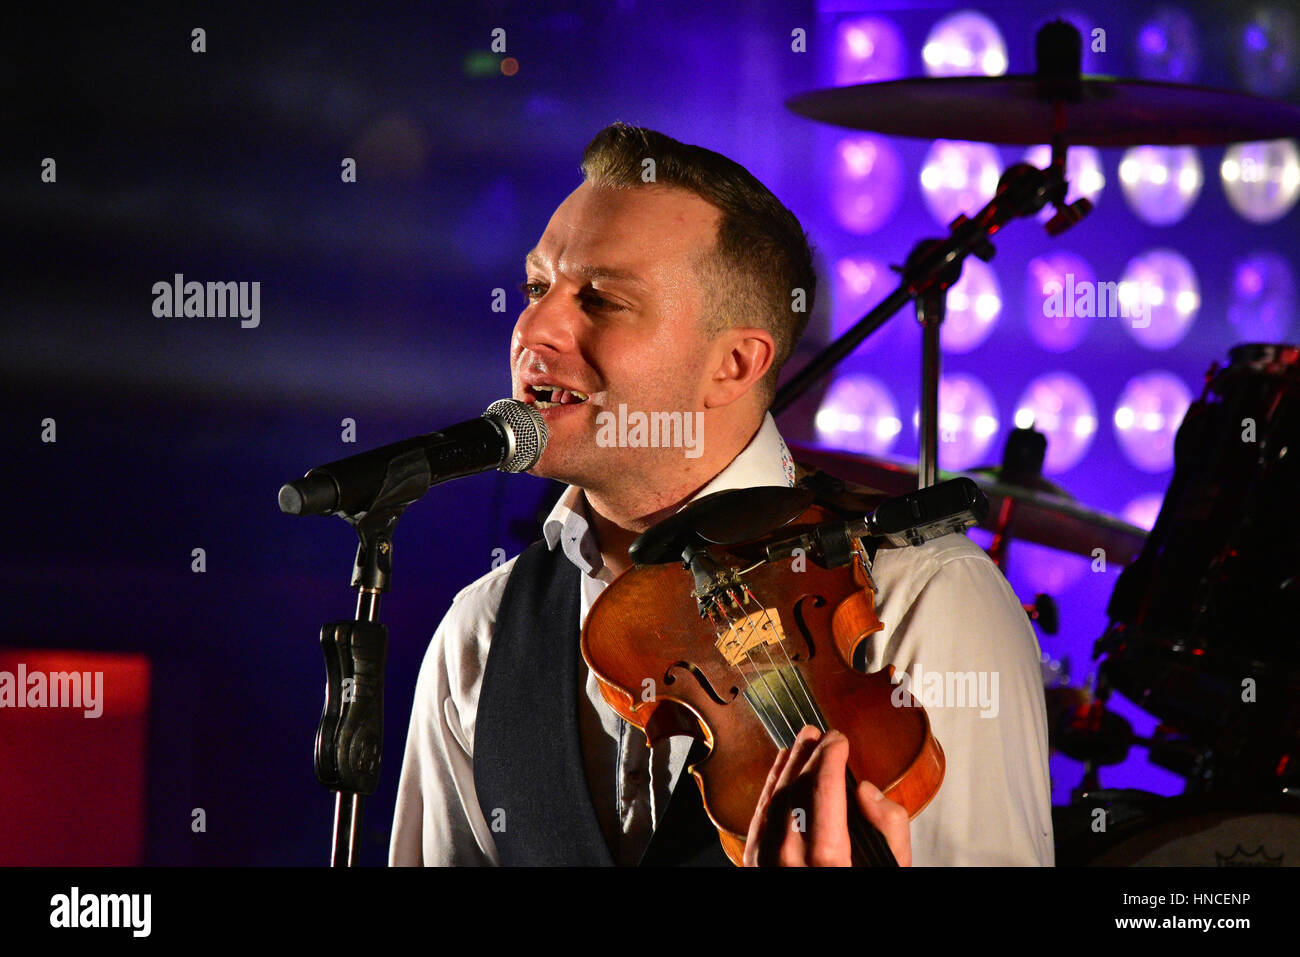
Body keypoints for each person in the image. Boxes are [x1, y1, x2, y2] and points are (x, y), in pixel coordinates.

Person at [389, 122, 1053, 867]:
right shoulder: (477, 634)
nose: (533, 327)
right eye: (537, 286)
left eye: (601, 299)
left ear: (735, 363)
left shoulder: (925, 598)